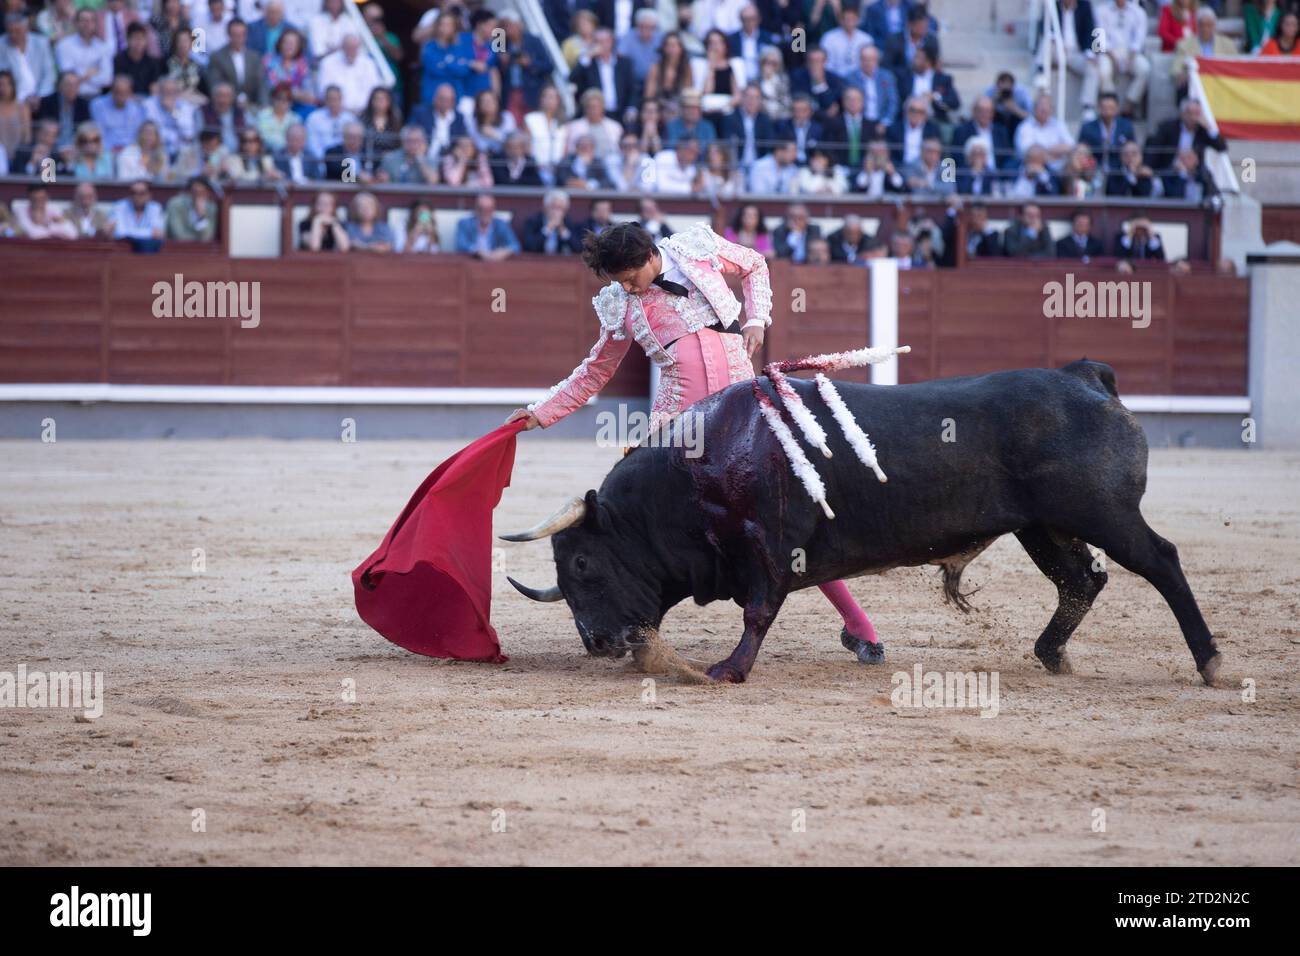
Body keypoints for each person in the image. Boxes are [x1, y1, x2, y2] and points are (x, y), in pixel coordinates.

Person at [503, 221, 883, 661]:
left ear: (649, 257)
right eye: (620, 283)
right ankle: (639, 627)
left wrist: (757, 318)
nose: (628, 289)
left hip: (745, 412)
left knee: (783, 516)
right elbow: (595, 371)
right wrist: (540, 412)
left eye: (631, 278)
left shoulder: (694, 249)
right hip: (678, 427)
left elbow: (754, 264)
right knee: (649, 524)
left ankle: (857, 623)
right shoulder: (621, 304)